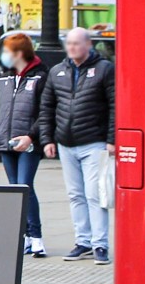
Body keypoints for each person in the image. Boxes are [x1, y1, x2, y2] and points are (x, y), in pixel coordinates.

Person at [39, 27, 118, 265]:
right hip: (65, 143)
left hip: (94, 142)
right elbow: (47, 107)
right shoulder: (57, 71)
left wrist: (112, 139)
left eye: (76, 43)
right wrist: (47, 139)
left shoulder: (105, 69)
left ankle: (99, 245)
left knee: (94, 195)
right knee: (75, 195)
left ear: (88, 44)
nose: (71, 48)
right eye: (69, 43)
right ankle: (82, 242)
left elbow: (115, 105)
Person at [0, 32, 48, 258]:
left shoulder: (40, 76)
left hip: (28, 141)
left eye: (8, 51)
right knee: (14, 187)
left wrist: (31, 136)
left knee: (25, 185)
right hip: (6, 139)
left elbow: (44, 111)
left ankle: (36, 237)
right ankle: (24, 237)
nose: (4, 56)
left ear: (19, 53)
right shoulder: (4, 77)